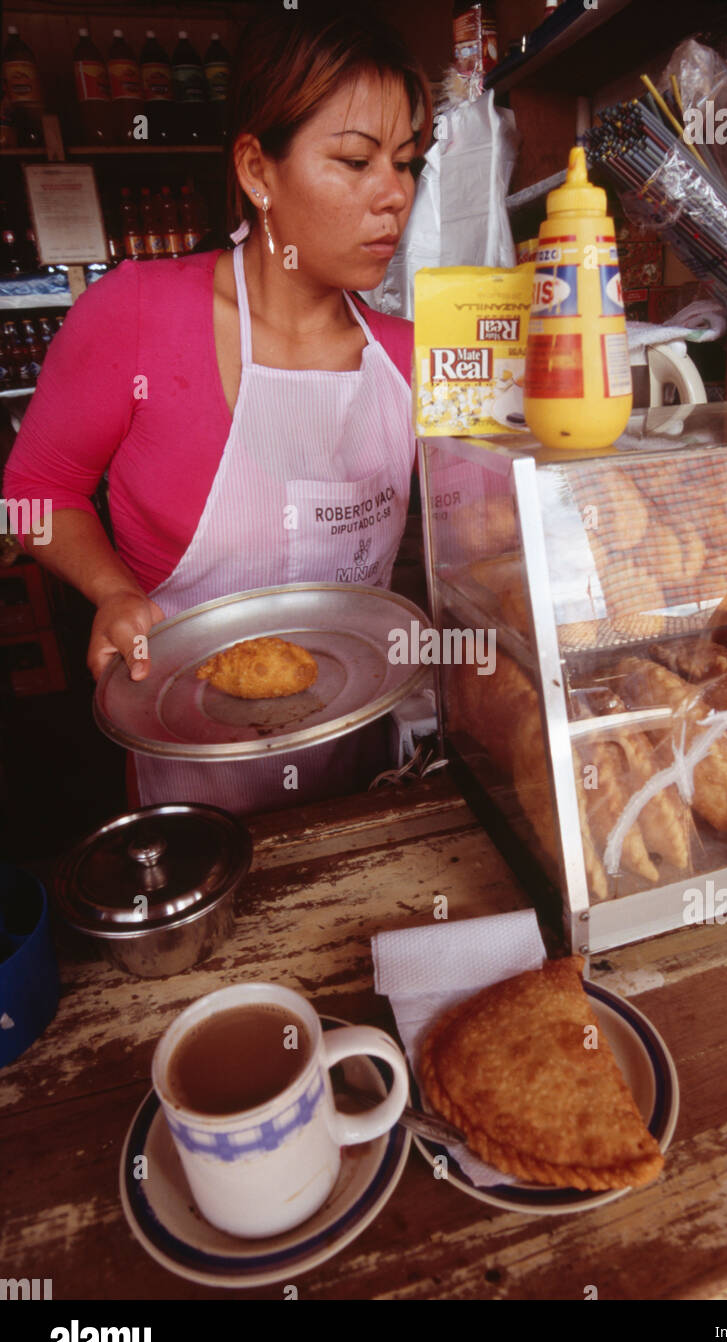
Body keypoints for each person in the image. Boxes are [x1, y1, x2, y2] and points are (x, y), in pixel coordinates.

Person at [5, 2, 432, 815]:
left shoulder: (408, 356)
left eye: (408, 163)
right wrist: (112, 592)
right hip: (188, 779)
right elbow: (32, 493)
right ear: (257, 171)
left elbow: (468, 529)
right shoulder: (134, 318)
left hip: (362, 776)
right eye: (354, 159)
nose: (394, 197)